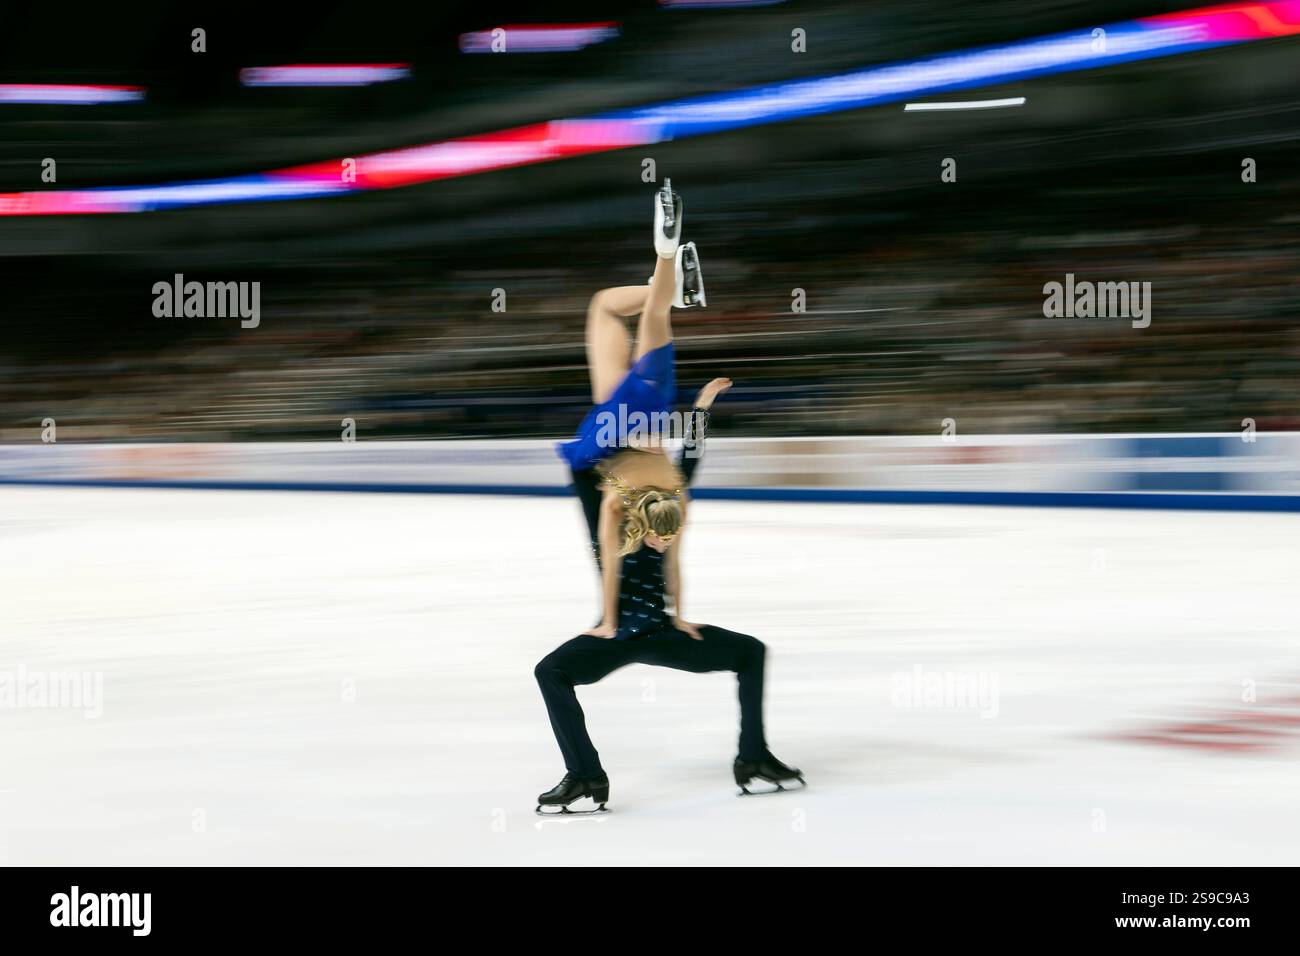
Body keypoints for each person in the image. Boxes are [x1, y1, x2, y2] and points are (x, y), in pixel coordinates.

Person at [535, 181, 803, 814]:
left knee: (622, 311)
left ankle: (586, 775)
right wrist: (678, 616)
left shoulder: (637, 495)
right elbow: (670, 522)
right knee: (626, 313)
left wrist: (606, 623)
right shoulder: (646, 497)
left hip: (612, 450)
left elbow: (636, 527)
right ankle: (752, 755)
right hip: (657, 624)